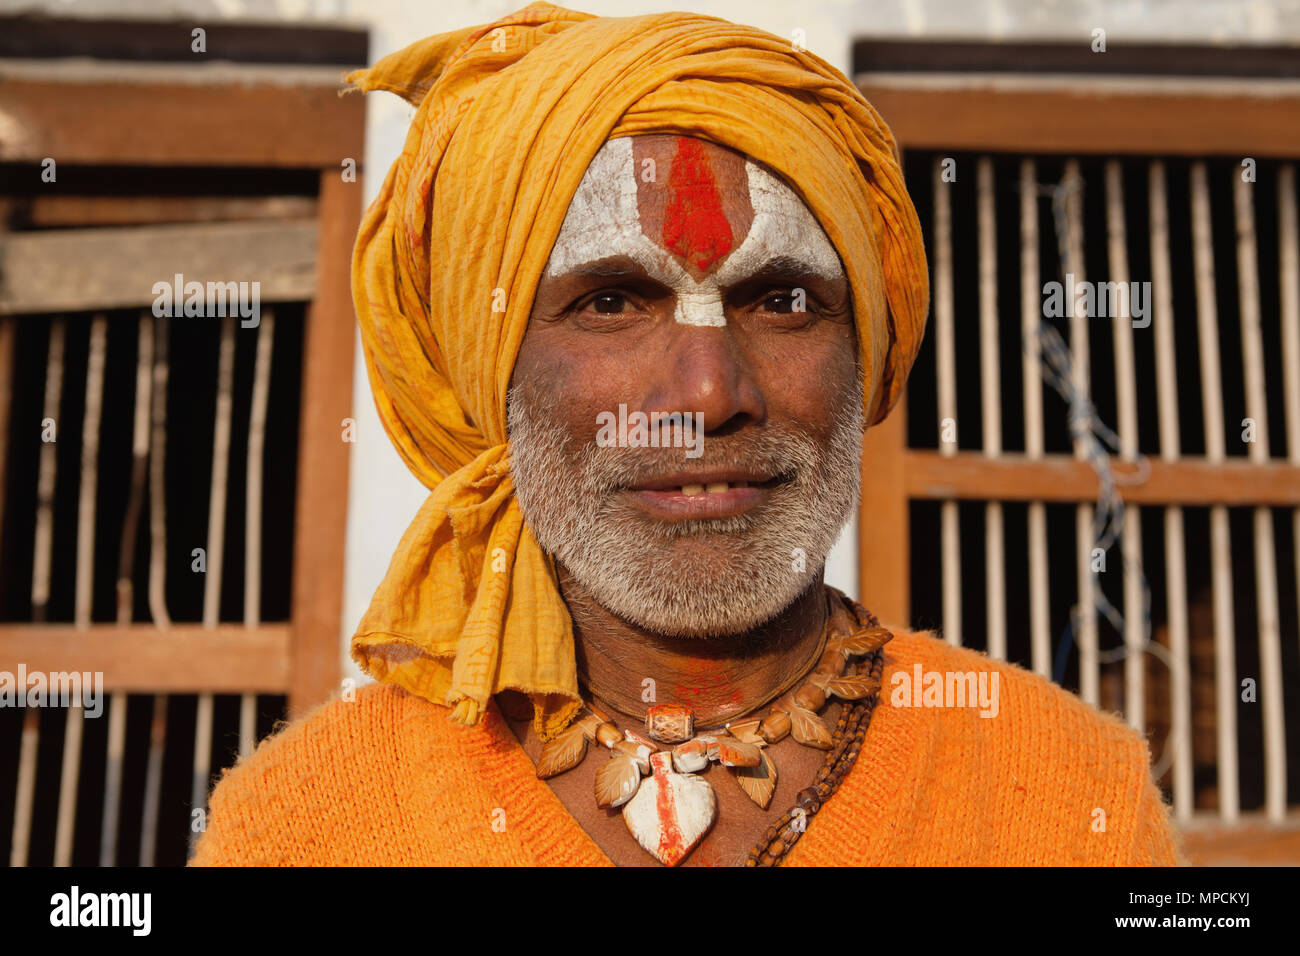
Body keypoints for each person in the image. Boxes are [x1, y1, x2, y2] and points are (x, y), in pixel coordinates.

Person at [191, 1, 1183, 867]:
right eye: (611, 300)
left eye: (782, 300)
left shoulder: (1065, 793)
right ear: (482, 367)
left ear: (865, 355)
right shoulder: (296, 827)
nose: (709, 393)